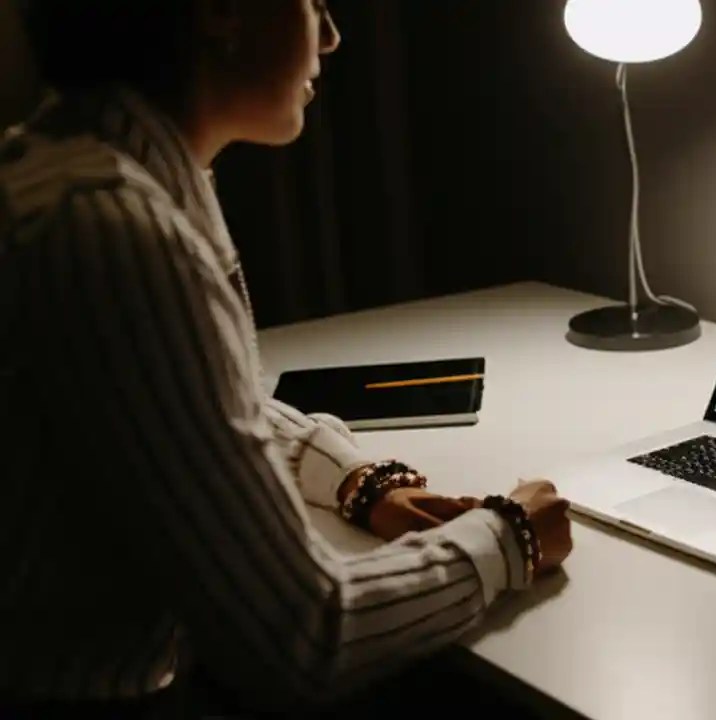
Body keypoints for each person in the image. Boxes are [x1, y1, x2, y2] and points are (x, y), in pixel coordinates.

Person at [0, 0, 572, 715]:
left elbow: (172, 405)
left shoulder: (62, 171)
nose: (330, 36)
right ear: (222, 14)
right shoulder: (114, 232)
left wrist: (359, 480)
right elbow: (300, 636)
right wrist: (508, 537)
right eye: (313, 3)